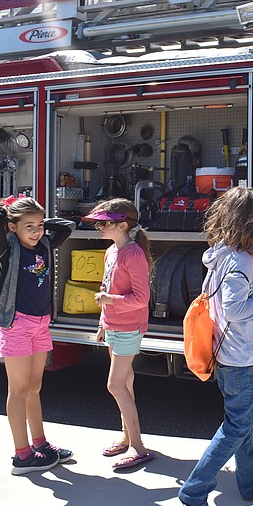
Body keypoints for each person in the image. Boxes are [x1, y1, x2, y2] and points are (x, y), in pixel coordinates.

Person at [178, 186, 253, 506]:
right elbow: (233, 308)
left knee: (248, 424)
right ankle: (193, 494)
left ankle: (252, 484)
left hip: (234, 355)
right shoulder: (241, 261)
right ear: (251, 220)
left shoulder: (226, 254)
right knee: (237, 427)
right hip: (242, 358)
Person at [0, 195, 76, 475]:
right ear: (12, 228)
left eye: (40, 225)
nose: (36, 232)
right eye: (29, 227)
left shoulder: (44, 243)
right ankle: (22, 455)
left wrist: (36, 220)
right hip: (17, 325)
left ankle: (40, 444)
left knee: (34, 388)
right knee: (18, 390)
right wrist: (9, 209)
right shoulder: (9, 248)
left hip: (40, 324)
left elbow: (68, 226)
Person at [83, 198, 155, 471]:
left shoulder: (132, 254)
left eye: (105, 223)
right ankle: (128, 437)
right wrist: (102, 323)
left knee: (115, 385)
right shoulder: (112, 251)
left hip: (128, 327)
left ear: (123, 225)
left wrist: (108, 301)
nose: (99, 227)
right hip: (114, 325)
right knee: (125, 381)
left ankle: (138, 447)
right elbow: (107, 286)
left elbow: (141, 298)